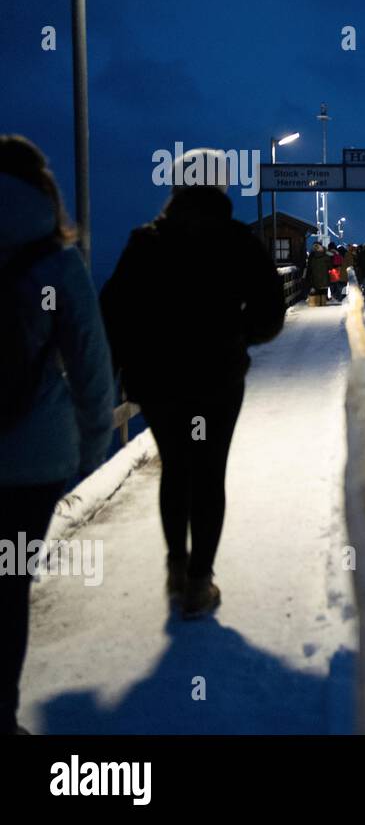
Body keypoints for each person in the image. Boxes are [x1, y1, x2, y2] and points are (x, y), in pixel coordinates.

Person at [100, 148, 285, 620]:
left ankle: (176, 567)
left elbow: (112, 314)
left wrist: (127, 370)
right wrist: (239, 338)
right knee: (208, 473)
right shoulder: (238, 242)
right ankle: (199, 584)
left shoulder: (146, 242)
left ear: (177, 186)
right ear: (221, 186)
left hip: (159, 385)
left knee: (175, 468)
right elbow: (270, 311)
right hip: (216, 380)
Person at [0, 135, 114, 735]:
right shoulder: (56, 263)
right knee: (8, 586)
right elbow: (92, 366)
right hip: (30, 460)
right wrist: (94, 448)